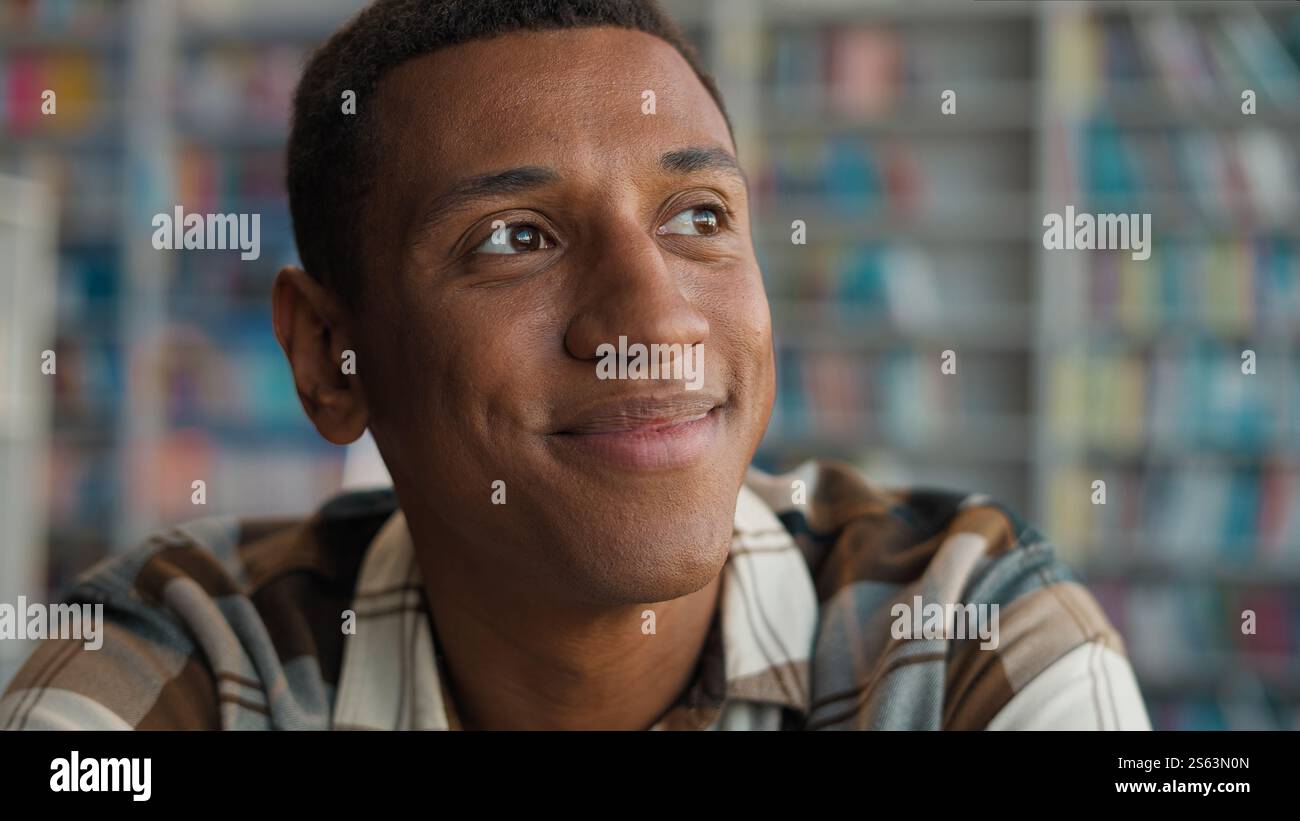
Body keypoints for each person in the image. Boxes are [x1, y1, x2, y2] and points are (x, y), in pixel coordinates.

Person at [1, 0, 1149, 731]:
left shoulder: (961, 634)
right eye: (514, 238)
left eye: (697, 215)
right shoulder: (192, 651)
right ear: (330, 356)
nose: (653, 315)